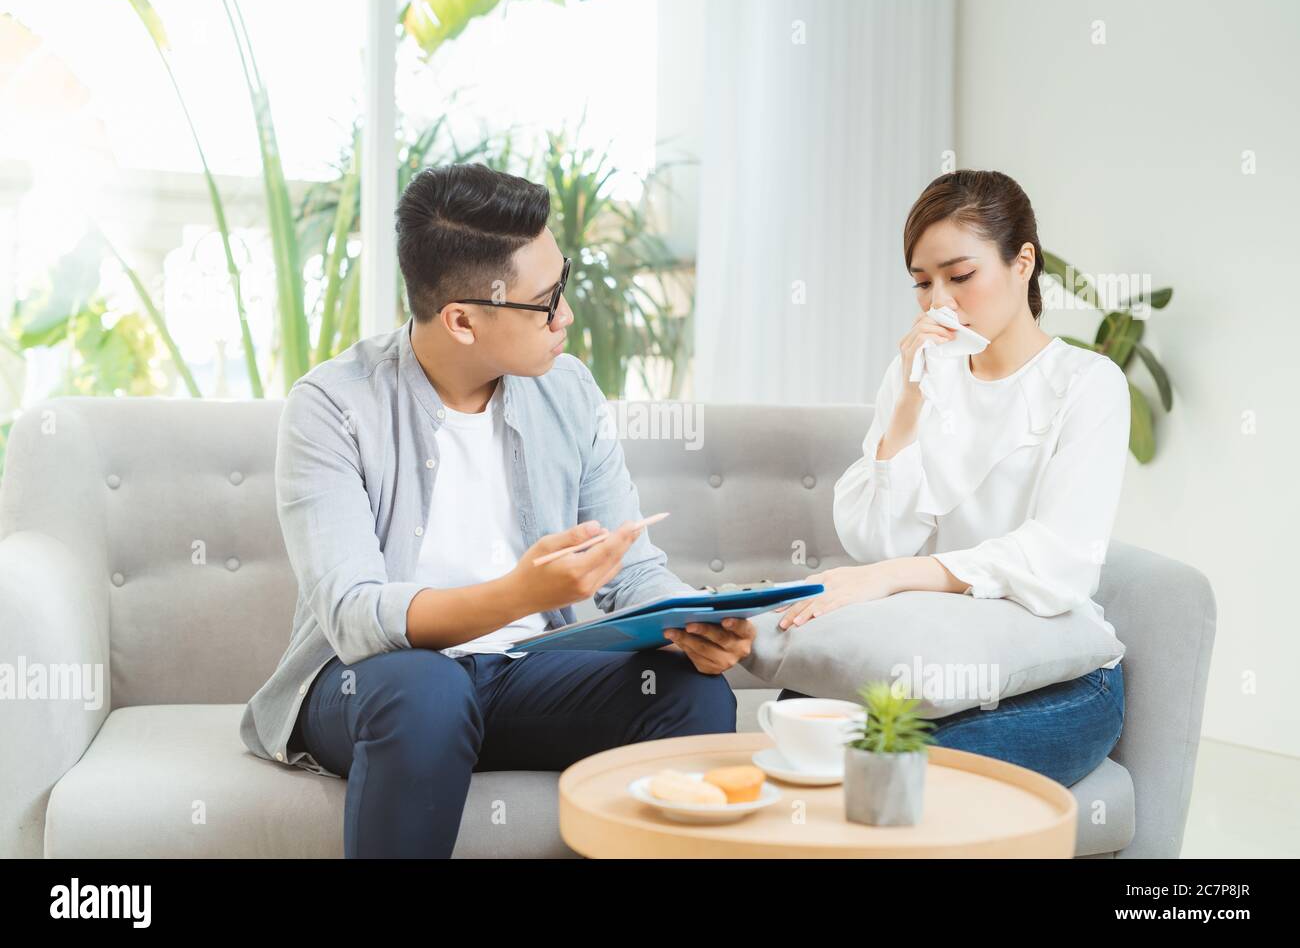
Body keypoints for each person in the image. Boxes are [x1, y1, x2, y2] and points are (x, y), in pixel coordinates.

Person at [239, 163, 755, 857]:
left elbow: (632, 572)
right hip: (377, 687)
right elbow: (356, 618)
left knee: (693, 693)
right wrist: (518, 594)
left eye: (562, 281)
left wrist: (692, 619)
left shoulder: (566, 391)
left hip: (523, 675)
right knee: (428, 691)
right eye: (545, 301)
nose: (566, 315)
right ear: (461, 319)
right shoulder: (334, 406)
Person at [772, 169, 1126, 787]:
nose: (940, 302)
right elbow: (876, 540)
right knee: (800, 719)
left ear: (1023, 263)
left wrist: (888, 580)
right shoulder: (916, 373)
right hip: (930, 654)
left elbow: (1061, 560)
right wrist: (909, 404)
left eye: (960, 276)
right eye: (922, 283)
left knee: (889, 768)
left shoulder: (1088, 384)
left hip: (1056, 674)